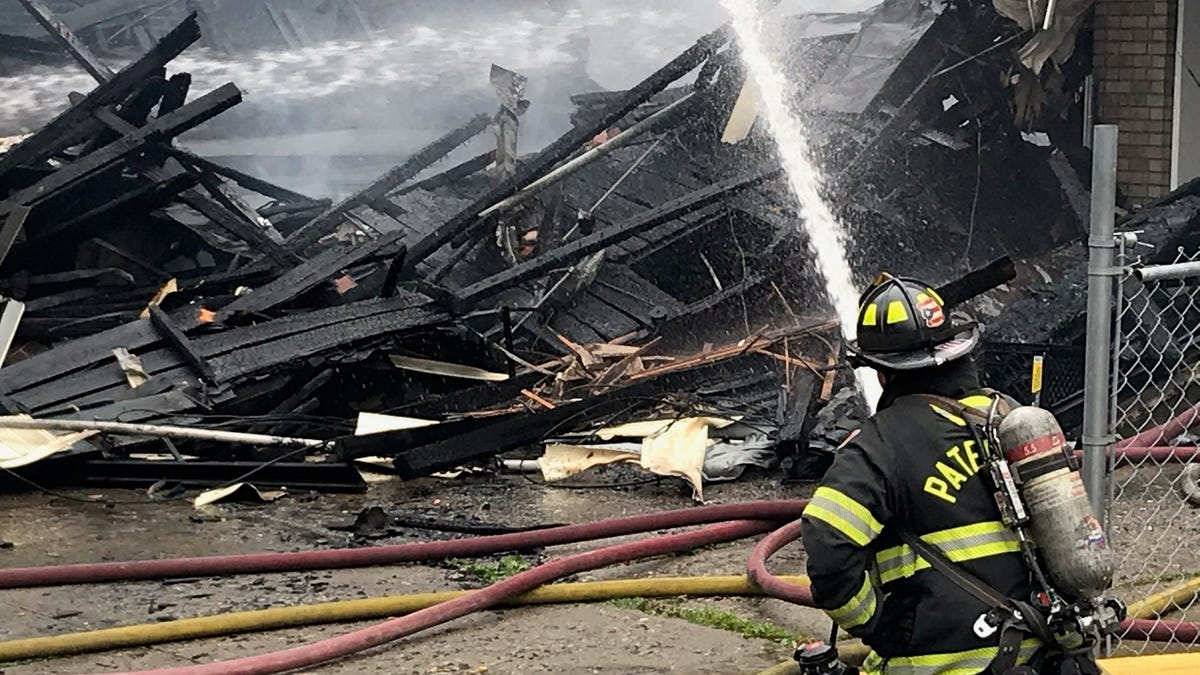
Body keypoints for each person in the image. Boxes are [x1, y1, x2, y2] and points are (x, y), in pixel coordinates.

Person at [799, 273, 1058, 675]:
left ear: (881, 372)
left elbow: (827, 539)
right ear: (957, 350)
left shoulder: (878, 445)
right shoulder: (1010, 418)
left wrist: (876, 623)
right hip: (1043, 656)